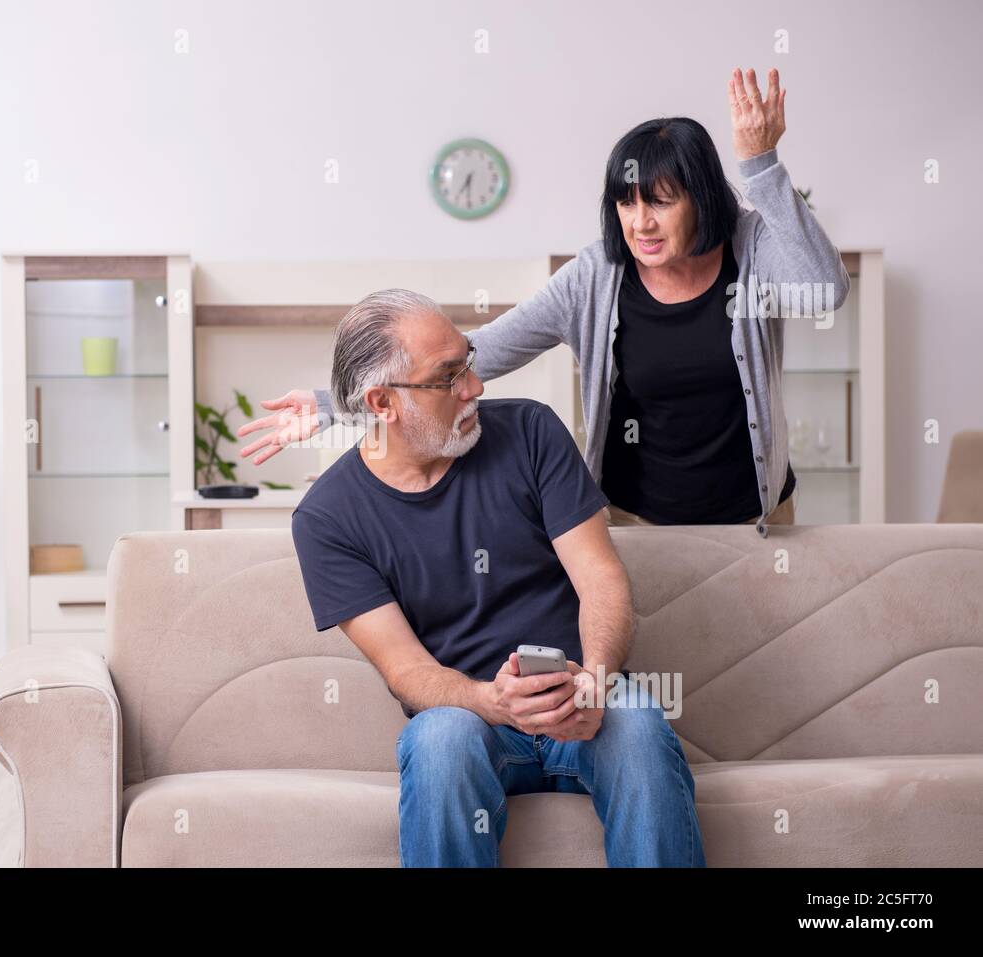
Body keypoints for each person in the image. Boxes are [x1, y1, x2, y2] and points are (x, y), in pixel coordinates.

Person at [240, 68, 848, 537]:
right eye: (626, 203)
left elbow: (825, 289)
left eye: (660, 202)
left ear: (703, 200)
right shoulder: (597, 276)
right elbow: (479, 354)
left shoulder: (750, 245)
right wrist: (334, 404)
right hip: (632, 520)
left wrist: (762, 165)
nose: (641, 223)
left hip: (758, 518)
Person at [290, 289, 704, 867]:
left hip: (583, 698)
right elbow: (408, 672)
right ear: (382, 403)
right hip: (474, 720)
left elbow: (600, 578)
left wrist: (595, 679)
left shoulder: (530, 432)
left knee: (634, 722)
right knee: (438, 740)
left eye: (469, 363)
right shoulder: (327, 518)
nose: (474, 388)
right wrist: (495, 701)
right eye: (448, 377)